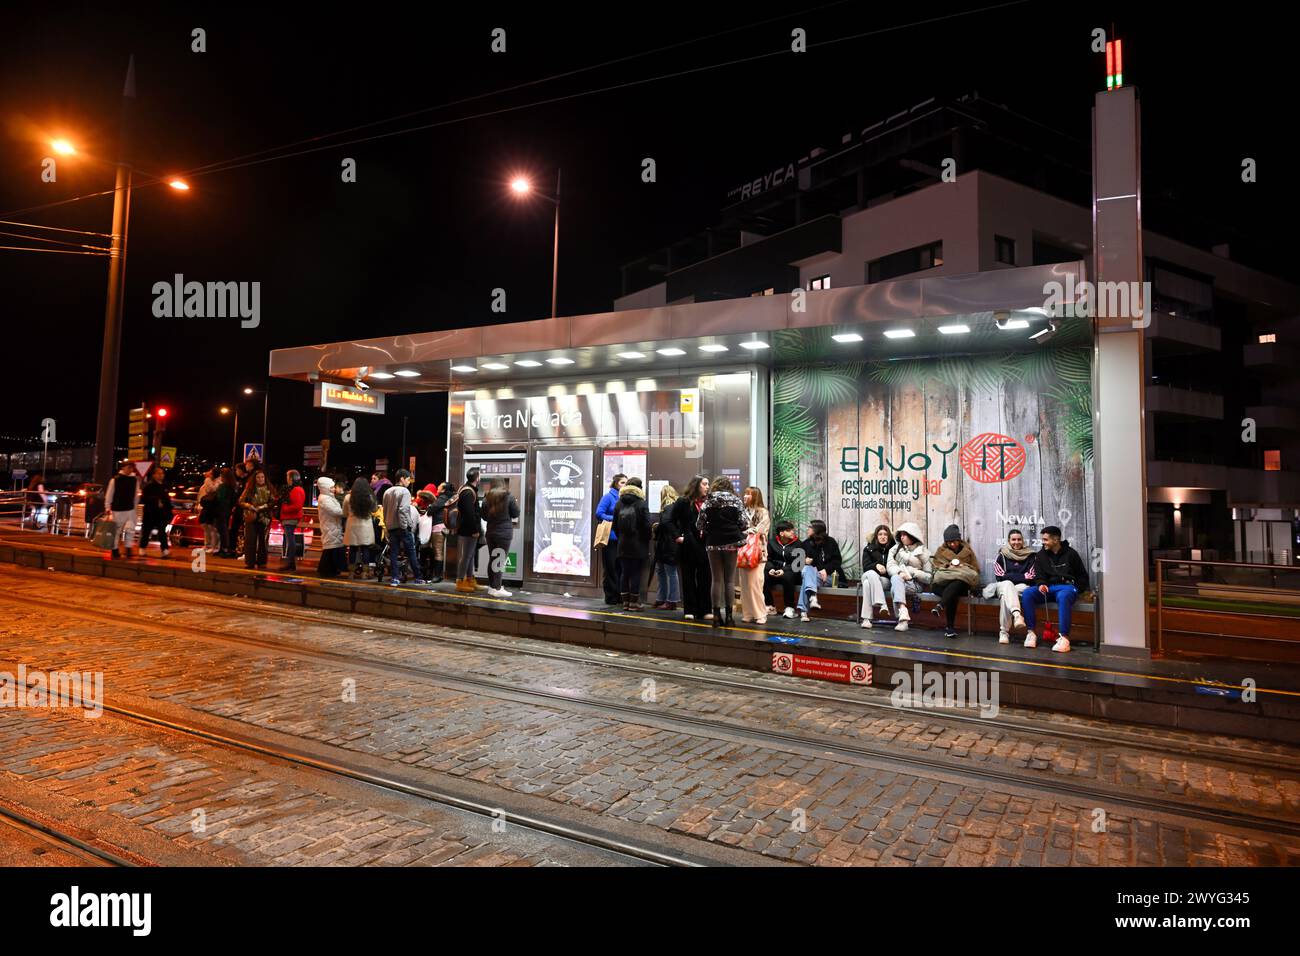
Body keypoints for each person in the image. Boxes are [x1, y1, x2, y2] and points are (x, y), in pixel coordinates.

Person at [1020, 525, 1090, 653]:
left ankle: (1064, 638)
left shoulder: (1071, 554)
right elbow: (1039, 574)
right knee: (1027, 594)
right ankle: (1031, 633)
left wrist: (1076, 589)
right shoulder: (1041, 555)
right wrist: (1041, 583)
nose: (1043, 542)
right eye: (1043, 539)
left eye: (1046, 540)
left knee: (1063, 597)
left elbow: (1082, 576)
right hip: (1048, 588)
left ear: (1056, 540)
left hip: (1066, 588)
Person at [696, 476, 749, 626]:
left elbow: (699, 524)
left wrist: (710, 529)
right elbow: (744, 523)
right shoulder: (736, 500)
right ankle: (730, 617)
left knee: (716, 579)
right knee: (730, 580)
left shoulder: (709, 500)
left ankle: (716, 616)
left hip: (713, 542)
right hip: (731, 542)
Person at [663, 476, 711, 620]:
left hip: (705, 544)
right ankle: (690, 609)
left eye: (708, 484)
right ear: (696, 485)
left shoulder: (709, 502)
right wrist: (677, 536)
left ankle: (705, 610)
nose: (707, 487)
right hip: (688, 544)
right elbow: (668, 521)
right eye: (704, 484)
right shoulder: (683, 502)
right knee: (688, 578)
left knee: (705, 578)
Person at [930, 524, 981, 639]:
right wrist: (949, 566)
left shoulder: (967, 551)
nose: (953, 544)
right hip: (942, 584)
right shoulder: (940, 551)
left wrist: (963, 566)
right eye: (950, 542)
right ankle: (949, 628)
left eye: (955, 541)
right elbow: (936, 567)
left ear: (959, 540)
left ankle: (941, 607)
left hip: (962, 585)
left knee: (958, 583)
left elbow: (976, 569)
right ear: (946, 542)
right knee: (953, 592)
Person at [991, 529, 1036, 644]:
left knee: (1006, 595)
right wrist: (1021, 576)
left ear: (1023, 540)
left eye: (1019, 539)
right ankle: (1017, 615)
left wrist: (1009, 576)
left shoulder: (1031, 556)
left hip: (1022, 587)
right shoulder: (1001, 555)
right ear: (1009, 541)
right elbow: (999, 576)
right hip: (1003, 585)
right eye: (1013, 539)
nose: (1016, 542)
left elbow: (1031, 576)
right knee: (1007, 585)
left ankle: (1004, 632)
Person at [614, 476, 652, 610]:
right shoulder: (641, 503)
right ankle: (634, 603)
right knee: (636, 572)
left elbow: (615, 526)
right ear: (639, 488)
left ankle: (625, 602)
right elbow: (647, 525)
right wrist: (646, 539)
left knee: (625, 572)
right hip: (638, 543)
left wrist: (621, 537)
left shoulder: (619, 503)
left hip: (623, 543)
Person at [886, 521, 932, 631]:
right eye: (900, 535)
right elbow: (890, 565)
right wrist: (900, 572)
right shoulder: (895, 549)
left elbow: (929, 577)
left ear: (912, 536)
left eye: (904, 535)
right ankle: (903, 615)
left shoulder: (923, 552)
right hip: (898, 580)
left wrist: (912, 572)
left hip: (915, 585)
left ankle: (902, 618)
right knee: (896, 579)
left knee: (894, 588)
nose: (902, 537)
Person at [382, 468, 424, 587]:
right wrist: (406, 525)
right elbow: (403, 510)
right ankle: (418, 577)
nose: (409, 482)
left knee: (393, 554)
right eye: (408, 479)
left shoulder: (387, 492)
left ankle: (395, 578)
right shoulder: (405, 492)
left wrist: (387, 525)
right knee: (411, 552)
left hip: (391, 527)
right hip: (402, 527)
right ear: (402, 479)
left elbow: (384, 511)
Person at [797, 520, 843, 622]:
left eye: (810, 527)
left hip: (830, 577)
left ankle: (804, 610)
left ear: (816, 529)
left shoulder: (831, 542)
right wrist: (804, 561)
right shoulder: (806, 544)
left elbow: (837, 561)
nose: (807, 529)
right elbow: (798, 564)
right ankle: (812, 597)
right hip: (814, 577)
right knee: (807, 569)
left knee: (807, 580)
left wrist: (826, 570)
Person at [482, 478, 520, 597]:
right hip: (504, 533)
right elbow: (516, 513)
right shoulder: (508, 496)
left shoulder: (486, 498)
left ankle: (492, 586)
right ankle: (497, 588)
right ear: (503, 484)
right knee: (500, 559)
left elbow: (483, 516)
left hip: (491, 532)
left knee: (493, 558)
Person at [739, 486, 771, 624]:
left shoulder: (763, 512)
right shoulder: (742, 511)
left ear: (755, 496)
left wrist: (747, 531)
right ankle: (748, 613)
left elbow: (762, 529)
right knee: (744, 584)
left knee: (755, 584)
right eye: (745, 494)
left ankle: (760, 613)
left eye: (748, 494)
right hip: (743, 552)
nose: (745, 496)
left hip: (758, 553)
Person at [595, 473, 627, 605]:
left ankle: (619, 595)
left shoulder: (625, 498)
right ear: (616, 483)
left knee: (620, 567)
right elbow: (599, 513)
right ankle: (611, 596)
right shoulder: (608, 497)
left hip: (622, 538)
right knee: (610, 568)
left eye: (626, 483)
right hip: (610, 538)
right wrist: (613, 519)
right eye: (622, 483)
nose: (624, 485)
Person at [453, 467, 484, 592]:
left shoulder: (468, 489)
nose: (480, 477)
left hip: (468, 529)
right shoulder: (468, 492)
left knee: (470, 556)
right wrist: (474, 530)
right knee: (466, 556)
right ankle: (460, 581)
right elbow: (469, 514)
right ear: (476, 478)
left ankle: (470, 579)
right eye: (480, 475)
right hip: (467, 530)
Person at [860, 524, 896, 628]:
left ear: (889, 536)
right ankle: (882, 604)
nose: (883, 536)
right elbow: (866, 567)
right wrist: (876, 566)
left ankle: (866, 619)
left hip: (884, 580)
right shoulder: (868, 549)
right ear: (876, 536)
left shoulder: (893, 549)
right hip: (868, 574)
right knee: (870, 574)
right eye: (880, 534)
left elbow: (894, 567)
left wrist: (885, 570)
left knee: (867, 584)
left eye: (885, 534)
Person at [651, 484, 681, 610]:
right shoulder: (676, 507)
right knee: (664, 571)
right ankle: (662, 599)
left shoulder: (668, 508)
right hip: (667, 545)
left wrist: (657, 526)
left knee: (668, 572)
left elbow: (666, 524)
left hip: (667, 545)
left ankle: (671, 600)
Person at [104, 460, 140, 559]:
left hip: (130, 509)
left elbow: (136, 495)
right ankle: (115, 549)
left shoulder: (134, 480)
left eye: (131, 467)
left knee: (130, 529)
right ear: (123, 468)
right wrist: (107, 507)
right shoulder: (115, 480)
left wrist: (135, 506)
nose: (130, 469)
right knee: (117, 531)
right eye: (128, 467)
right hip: (118, 509)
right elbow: (109, 495)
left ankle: (128, 548)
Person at [765, 520, 802, 618]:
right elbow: (768, 559)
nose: (792, 532)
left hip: (792, 571)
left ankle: (789, 607)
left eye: (792, 530)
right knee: (764, 575)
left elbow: (799, 563)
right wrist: (771, 569)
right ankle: (770, 605)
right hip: (776, 571)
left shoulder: (798, 543)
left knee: (787, 576)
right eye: (789, 530)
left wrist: (784, 570)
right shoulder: (772, 543)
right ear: (781, 533)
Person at [343, 477, 377, 578]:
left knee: (352, 549)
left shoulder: (348, 497)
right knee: (365, 549)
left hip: (352, 526)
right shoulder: (370, 497)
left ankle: (351, 573)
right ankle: (365, 573)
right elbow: (374, 510)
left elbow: (344, 513)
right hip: (365, 526)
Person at [136, 466, 173, 558]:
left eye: (162, 473)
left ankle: (164, 550)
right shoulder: (149, 486)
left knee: (162, 532)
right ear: (154, 475)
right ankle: (142, 548)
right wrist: (156, 500)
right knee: (146, 531)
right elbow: (143, 499)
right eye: (159, 473)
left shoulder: (165, 486)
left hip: (161, 514)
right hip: (150, 513)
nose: (161, 475)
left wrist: (169, 512)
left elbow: (167, 500)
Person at [240, 470, 274, 568]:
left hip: (265, 517)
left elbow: (273, 502)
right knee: (250, 540)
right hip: (252, 516)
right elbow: (240, 501)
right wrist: (249, 506)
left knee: (263, 541)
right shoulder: (249, 488)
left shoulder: (269, 488)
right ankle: (250, 562)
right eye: (258, 477)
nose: (260, 479)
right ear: (255, 479)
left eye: (262, 477)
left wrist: (263, 507)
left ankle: (262, 562)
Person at [315, 476, 346, 578]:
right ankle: (326, 570)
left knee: (333, 547)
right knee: (330, 548)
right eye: (332, 487)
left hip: (333, 526)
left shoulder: (328, 497)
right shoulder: (324, 499)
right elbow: (336, 511)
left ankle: (331, 569)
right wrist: (346, 512)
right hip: (330, 526)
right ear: (325, 488)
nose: (334, 489)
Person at [278, 469, 306, 571]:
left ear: (291, 478)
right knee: (290, 540)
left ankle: (291, 563)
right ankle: (290, 563)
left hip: (290, 518)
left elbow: (297, 506)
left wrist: (284, 508)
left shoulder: (296, 489)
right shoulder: (297, 489)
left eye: (287, 477)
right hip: (290, 518)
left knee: (290, 541)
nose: (286, 479)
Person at [214, 467, 238, 557]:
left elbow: (219, 498)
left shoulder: (223, 486)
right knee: (224, 529)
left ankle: (224, 548)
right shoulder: (232, 486)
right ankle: (223, 548)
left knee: (222, 530)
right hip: (227, 510)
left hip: (220, 510)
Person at [198, 467, 222, 554]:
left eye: (211, 473)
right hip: (206, 507)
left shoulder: (218, 482)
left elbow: (210, 490)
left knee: (213, 528)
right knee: (206, 526)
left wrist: (207, 479)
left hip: (213, 507)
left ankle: (214, 546)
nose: (208, 474)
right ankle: (208, 545)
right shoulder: (210, 481)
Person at [228, 462, 248, 557]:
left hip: (242, 509)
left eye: (237, 470)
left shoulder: (246, 481)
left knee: (241, 531)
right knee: (233, 530)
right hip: (238, 508)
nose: (236, 472)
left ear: (241, 470)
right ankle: (232, 550)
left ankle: (239, 551)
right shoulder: (240, 481)